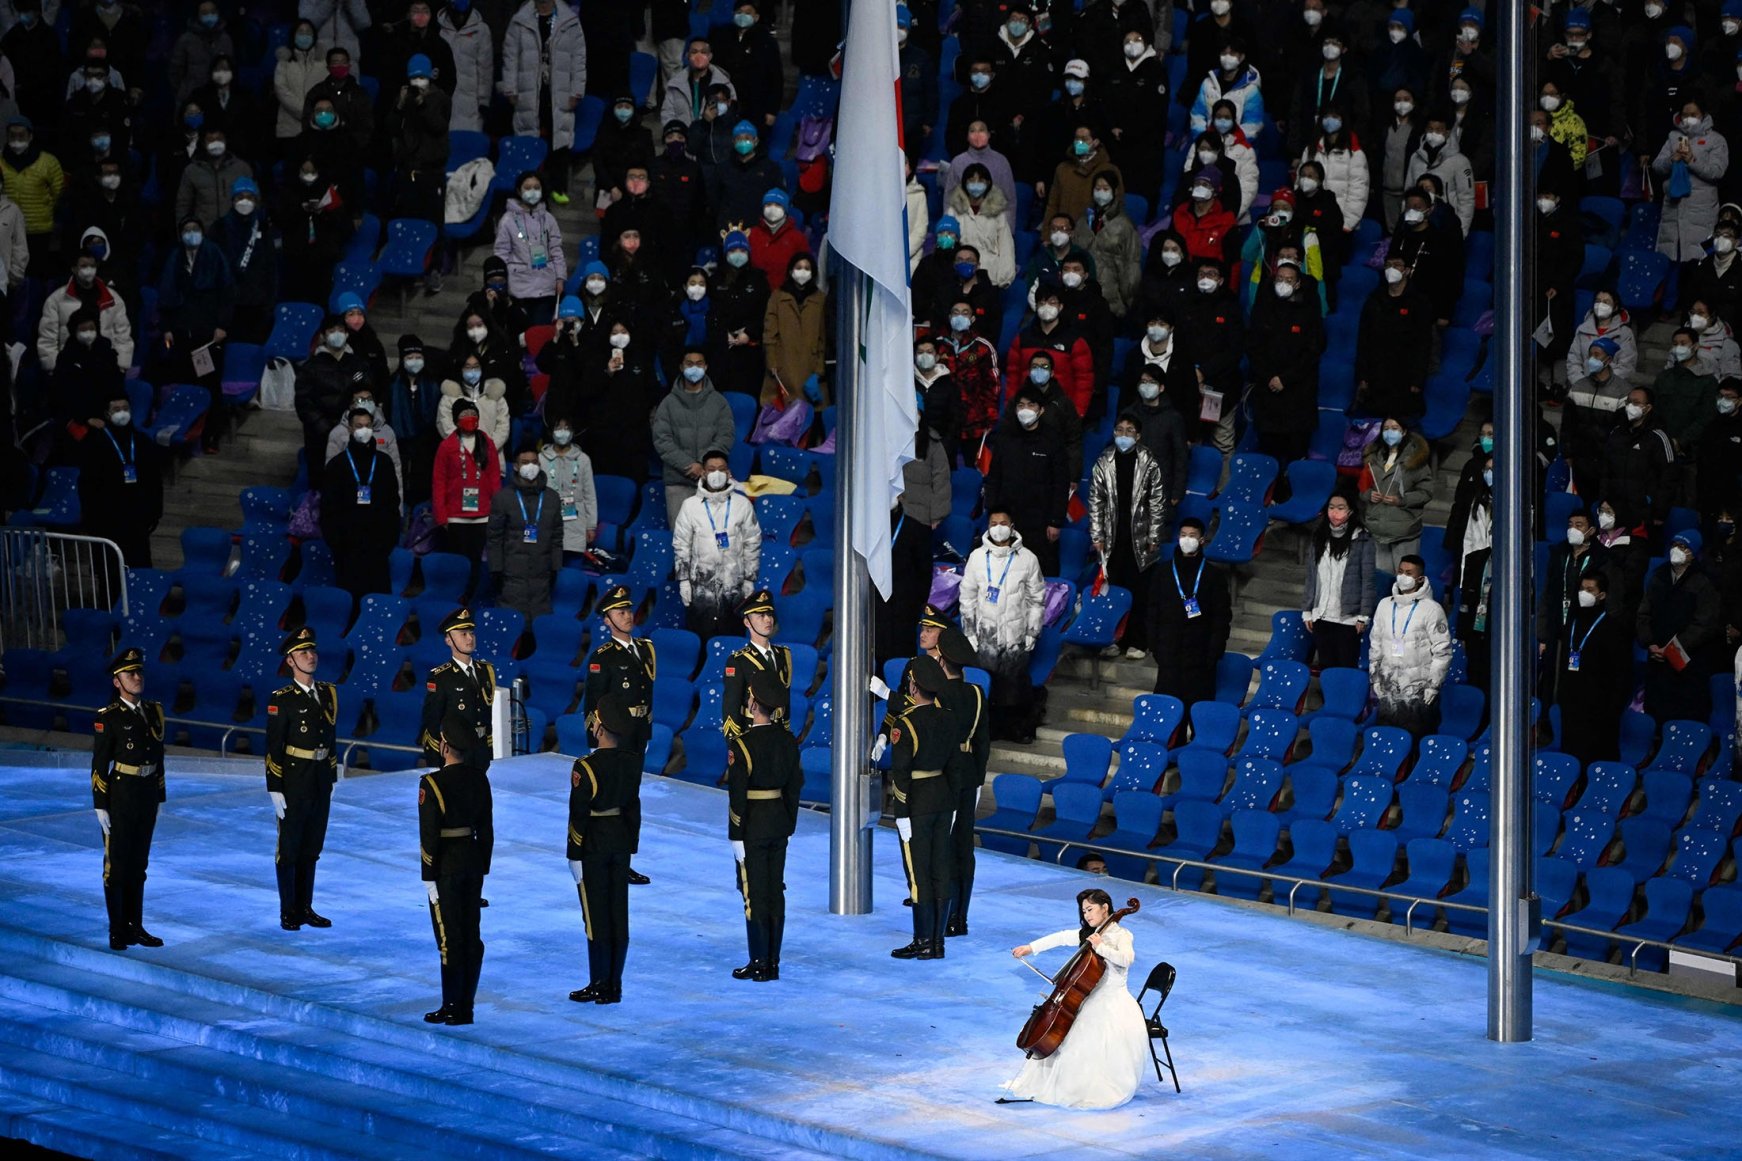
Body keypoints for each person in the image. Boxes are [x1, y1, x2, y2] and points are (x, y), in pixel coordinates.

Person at [1005, 888, 1148, 1110]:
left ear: (1105, 908)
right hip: (1088, 998)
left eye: (1090, 909)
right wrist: (1030, 948)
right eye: (1084, 911)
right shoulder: (1088, 934)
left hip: (1113, 1002)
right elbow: (1061, 937)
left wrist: (1101, 947)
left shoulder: (1122, 935)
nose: (1086, 915)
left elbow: (1126, 959)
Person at [726, 669, 802, 981]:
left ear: (753, 704)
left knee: (754, 894)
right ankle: (773, 961)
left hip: (753, 826)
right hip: (778, 822)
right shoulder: (787, 740)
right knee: (775, 891)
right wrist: (788, 822)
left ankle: (759, 961)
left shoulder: (742, 745)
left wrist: (735, 833)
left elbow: (737, 795)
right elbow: (794, 787)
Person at [419, 710, 494, 1026]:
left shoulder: (433, 783)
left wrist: (428, 876)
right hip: (471, 862)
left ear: (444, 746)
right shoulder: (479, 779)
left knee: (449, 938)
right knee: (471, 935)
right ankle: (466, 1005)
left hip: (446, 866)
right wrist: (482, 867)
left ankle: (452, 1006)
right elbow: (486, 830)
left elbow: (429, 835)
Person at [566, 693, 641, 1004]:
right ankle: (614, 985)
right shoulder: (631, 762)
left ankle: (598, 983)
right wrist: (630, 846)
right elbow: (633, 808)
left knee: (596, 916)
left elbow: (578, 814)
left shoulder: (586, 767)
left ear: (598, 728)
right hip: (619, 842)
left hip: (594, 845)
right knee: (618, 914)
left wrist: (574, 854)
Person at [265, 627, 339, 932]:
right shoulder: (282, 699)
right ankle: (289, 910)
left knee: (312, 847)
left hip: (320, 778)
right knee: (290, 848)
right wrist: (275, 787)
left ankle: (305, 907)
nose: (310, 656)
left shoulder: (328, 693)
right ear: (290, 661)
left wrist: (331, 777)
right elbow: (274, 747)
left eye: (312, 651)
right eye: (303, 652)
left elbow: (331, 738)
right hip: (294, 780)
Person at [92, 646, 166, 951]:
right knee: (117, 866)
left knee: (139, 864)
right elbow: (99, 765)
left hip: (146, 795)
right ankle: (117, 929)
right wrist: (100, 804)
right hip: (120, 796)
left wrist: (159, 796)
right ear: (117, 681)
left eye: (139, 672)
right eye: (129, 673)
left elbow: (159, 757)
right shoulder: (108, 717)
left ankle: (136, 927)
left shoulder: (154, 711)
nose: (137, 677)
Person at [887, 655, 958, 961]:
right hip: (943, 799)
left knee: (918, 875)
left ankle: (923, 942)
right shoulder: (948, 718)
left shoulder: (905, 724)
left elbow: (901, 775)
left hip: (917, 803)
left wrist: (901, 814)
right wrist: (953, 804)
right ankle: (937, 942)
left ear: (913, 687)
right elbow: (955, 766)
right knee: (941, 870)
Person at [960, 509, 1048, 744]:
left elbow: (1036, 599)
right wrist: (969, 631)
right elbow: (967, 597)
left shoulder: (1028, 558)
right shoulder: (977, 557)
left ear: (1012, 526)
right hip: (985, 635)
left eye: (1003, 523)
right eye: (993, 523)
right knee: (988, 686)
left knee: (1013, 686)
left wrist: (1032, 632)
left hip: (1015, 635)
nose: (998, 528)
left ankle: (1015, 730)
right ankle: (988, 731)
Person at [1089, 414, 1169, 659]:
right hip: (1112, 538)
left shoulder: (1149, 462)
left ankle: (1137, 641)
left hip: (1140, 538)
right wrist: (1097, 534)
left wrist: (1154, 536)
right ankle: (1112, 639)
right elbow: (1096, 500)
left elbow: (1157, 502)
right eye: (1120, 430)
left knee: (1139, 592)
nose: (1124, 435)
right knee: (1112, 590)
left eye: (1130, 430)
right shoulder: (1103, 461)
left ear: (1138, 435)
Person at [156, 216, 233, 453]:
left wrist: (222, 325)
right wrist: (167, 328)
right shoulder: (175, 258)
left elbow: (226, 292)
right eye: (187, 230)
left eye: (195, 229)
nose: (191, 233)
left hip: (208, 335)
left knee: (209, 384)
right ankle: (187, 433)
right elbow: (166, 295)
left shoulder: (214, 255)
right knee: (185, 383)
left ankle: (211, 434)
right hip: (182, 334)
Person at [500, 0, 587, 204]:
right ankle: (529, 188)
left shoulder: (570, 21)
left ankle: (558, 188)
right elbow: (510, 57)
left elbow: (579, 58)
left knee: (560, 137)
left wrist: (577, 90)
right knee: (528, 138)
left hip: (559, 90)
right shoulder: (520, 20)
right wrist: (510, 87)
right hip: (528, 90)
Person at [672, 448, 762, 638]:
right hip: (701, 588)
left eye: (721, 469)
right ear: (704, 473)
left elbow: (752, 543)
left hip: (734, 587)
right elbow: (681, 545)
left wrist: (749, 579)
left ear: (728, 473)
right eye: (712, 469)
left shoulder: (742, 504)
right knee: (701, 638)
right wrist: (684, 581)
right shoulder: (690, 506)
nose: (717, 474)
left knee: (731, 640)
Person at [937, 627, 990, 938]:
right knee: (963, 846)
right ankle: (960, 917)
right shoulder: (976, 693)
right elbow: (983, 742)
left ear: (942, 661)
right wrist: (978, 777)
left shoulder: (937, 694)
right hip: (968, 773)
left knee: (942, 846)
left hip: (942, 774)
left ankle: (944, 917)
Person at [1638, 530, 1721, 725]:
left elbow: (1704, 623)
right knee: (1655, 707)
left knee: (1683, 709)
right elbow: (1643, 612)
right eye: (1674, 545)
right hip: (1656, 656)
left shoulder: (1703, 582)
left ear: (1693, 553)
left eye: (1683, 547)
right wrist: (1649, 642)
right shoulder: (1658, 576)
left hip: (1688, 661)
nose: (1677, 550)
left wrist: (1673, 647)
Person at [320, 406, 402, 603]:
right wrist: (337, 544)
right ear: (350, 428)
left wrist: (388, 541)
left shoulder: (384, 463)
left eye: (367, 425)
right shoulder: (337, 465)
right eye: (358, 426)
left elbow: (393, 503)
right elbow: (328, 508)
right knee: (349, 602)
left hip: (378, 548)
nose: (363, 430)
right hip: (347, 549)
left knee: (377, 601)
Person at [1149, 516, 1232, 706]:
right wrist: (1155, 646)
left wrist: (1214, 653)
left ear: (1201, 540)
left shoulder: (1214, 576)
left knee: (1197, 711)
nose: (1187, 539)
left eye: (1192, 535)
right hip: (1169, 654)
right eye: (1183, 535)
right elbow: (1152, 611)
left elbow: (1221, 617)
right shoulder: (1163, 572)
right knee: (1168, 710)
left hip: (1201, 658)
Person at [1367, 556, 1453, 737]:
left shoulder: (1432, 609)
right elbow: (1375, 643)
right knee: (1388, 738)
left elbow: (1442, 652)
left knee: (1414, 740)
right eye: (1400, 572)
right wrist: (1375, 677)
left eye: (1408, 573)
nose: (1402, 577)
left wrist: (1433, 685)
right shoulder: (1384, 605)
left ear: (1420, 579)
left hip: (1418, 692)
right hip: (1388, 689)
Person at [1554, 571, 1631, 768]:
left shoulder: (1612, 628)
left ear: (1602, 595)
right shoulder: (1572, 623)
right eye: (1582, 589)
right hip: (1572, 703)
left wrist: (1612, 709)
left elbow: (1620, 673)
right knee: (1571, 756)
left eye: (1590, 590)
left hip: (1598, 709)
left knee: (1594, 758)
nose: (1584, 593)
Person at [78, 389, 160, 571]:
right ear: (107, 414)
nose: (122, 413)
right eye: (116, 409)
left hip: (136, 517)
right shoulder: (95, 443)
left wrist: (155, 511)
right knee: (110, 570)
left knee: (139, 566)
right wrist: (91, 518)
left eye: (125, 408)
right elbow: (87, 484)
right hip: (107, 519)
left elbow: (154, 479)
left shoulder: (141, 441)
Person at [652, 348, 736, 526]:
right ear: (681, 367)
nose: (694, 368)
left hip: (712, 481)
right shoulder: (667, 403)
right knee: (681, 536)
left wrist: (704, 465)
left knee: (712, 534)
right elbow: (662, 440)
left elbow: (726, 436)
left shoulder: (719, 402)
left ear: (706, 367)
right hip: (677, 482)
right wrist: (689, 465)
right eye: (689, 364)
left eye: (699, 364)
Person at [488, 445, 563, 622]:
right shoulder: (503, 498)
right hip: (512, 574)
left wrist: (556, 566)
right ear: (515, 466)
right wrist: (496, 569)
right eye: (525, 462)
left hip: (542, 573)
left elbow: (557, 536)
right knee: (512, 623)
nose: (530, 466)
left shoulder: (552, 497)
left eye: (534, 462)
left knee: (539, 624)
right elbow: (494, 537)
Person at [419, 607, 497, 771]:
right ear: (449, 640)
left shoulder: (485, 670)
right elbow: (432, 720)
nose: (470, 638)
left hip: (482, 749)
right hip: (457, 753)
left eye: (472, 633)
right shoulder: (440, 677)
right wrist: (436, 760)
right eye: (463, 634)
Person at [1302, 495, 1375, 670]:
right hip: (1322, 614)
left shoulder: (1363, 539)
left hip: (1349, 618)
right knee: (1326, 668)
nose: (1335, 512)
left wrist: (1364, 615)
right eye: (1331, 507)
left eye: (1341, 508)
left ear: (1350, 511)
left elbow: (1368, 580)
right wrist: (1307, 610)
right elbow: (1311, 576)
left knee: (1345, 668)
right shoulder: (1318, 536)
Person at [431, 397, 500, 572]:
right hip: (455, 517)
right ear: (456, 420)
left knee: (477, 565)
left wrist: (496, 511)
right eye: (464, 414)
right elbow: (439, 483)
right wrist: (441, 516)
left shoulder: (487, 443)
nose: (469, 417)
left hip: (483, 516)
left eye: (472, 413)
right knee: (457, 566)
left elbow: (494, 478)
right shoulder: (446, 446)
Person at [1358, 417, 1433, 572]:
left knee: (1405, 579)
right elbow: (1362, 488)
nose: (1389, 432)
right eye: (1386, 429)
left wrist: (1402, 500)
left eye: (1394, 428)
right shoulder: (1372, 458)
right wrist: (1369, 495)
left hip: (1404, 531)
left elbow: (1426, 493)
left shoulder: (1416, 459)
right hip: (1377, 529)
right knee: (1381, 579)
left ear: (1403, 432)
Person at [494, 170, 565, 323]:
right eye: (527, 188)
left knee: (539, 332)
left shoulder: (549, 219)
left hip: (545, 287)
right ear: (519, 191)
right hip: (518, 287)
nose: (532, 191)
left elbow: (556, 249)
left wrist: (560, 277)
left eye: (536, 187)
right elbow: (501, 253)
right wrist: (501, 282)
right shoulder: (507, 220)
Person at [722, 589, 792, 740]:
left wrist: (786, 733)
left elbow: (785, 698)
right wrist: (736, 745)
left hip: (778, 734)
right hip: (752, 734)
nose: (768, 620)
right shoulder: (738, 661)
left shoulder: (783, 654)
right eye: (761, 615)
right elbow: (731, 706)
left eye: (769, 614)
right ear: (747, 622)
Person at [539, 419, 598, 561]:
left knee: (572, 563)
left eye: (566, 427)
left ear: (572, 432)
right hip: (548, 518)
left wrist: (591, 526)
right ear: (551, 431)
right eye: (558, 427)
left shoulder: (583, 459)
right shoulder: (541, 458)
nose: (562, 431)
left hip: (576, 520)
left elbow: (589, 495)